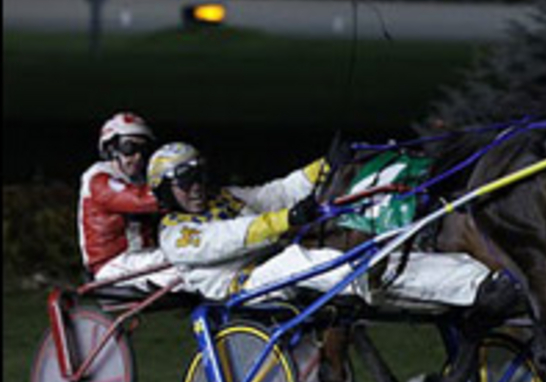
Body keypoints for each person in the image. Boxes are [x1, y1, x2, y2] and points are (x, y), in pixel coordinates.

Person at [147, 141, 493, 307]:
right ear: (165, 190)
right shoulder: (175, 234)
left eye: (199, 177)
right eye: (185, 182)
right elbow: (228, 238)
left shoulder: (227, 196)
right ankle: (367, 279)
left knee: (380, 248)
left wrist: (325, 166)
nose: (196, 188)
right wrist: (287, 220)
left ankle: (482, 281)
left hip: (273, 262)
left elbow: (276, 192)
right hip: (245, 284)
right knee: (313, 260)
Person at [77, 112, 180, 292]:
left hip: (142, 258)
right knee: (186, 264)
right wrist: (182, 189)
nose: (138, 157)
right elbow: (139, 200)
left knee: (192, 254)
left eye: (144, 149)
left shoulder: (140, 179)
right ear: (111, 149)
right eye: (129, 147)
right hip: (111, 264)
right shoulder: (98, 178)